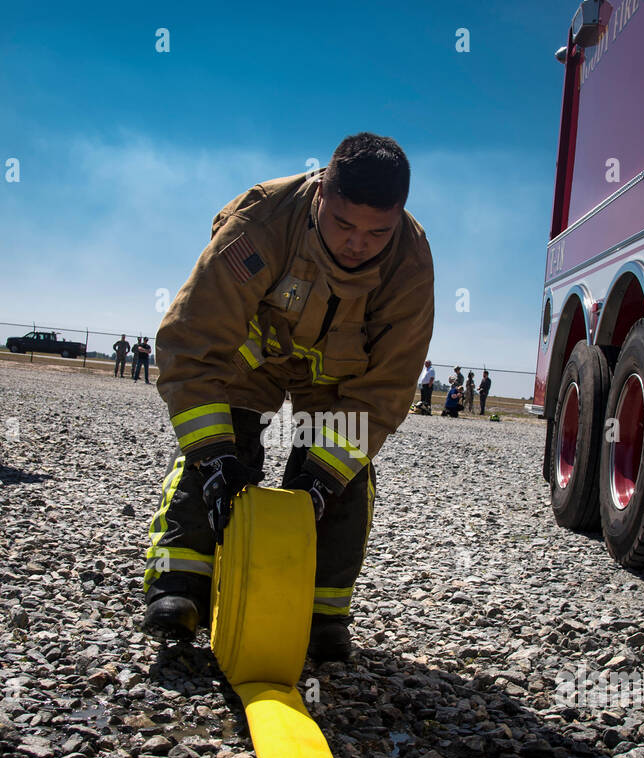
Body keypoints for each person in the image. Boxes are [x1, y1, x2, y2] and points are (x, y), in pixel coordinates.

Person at [142, 132, 434, 662]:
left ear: (399, 218)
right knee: (222, 452)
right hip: (250, 353)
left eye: (377, 232)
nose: (357, 243)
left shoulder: (410, 262)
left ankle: (322, 613)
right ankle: (179, 586)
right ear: (321, 192)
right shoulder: (261, 223)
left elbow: (388, 384)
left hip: (338, 376)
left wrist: (320, 479)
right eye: (344, 224)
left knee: (341, 471)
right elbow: (192, 339)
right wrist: (215, 455)